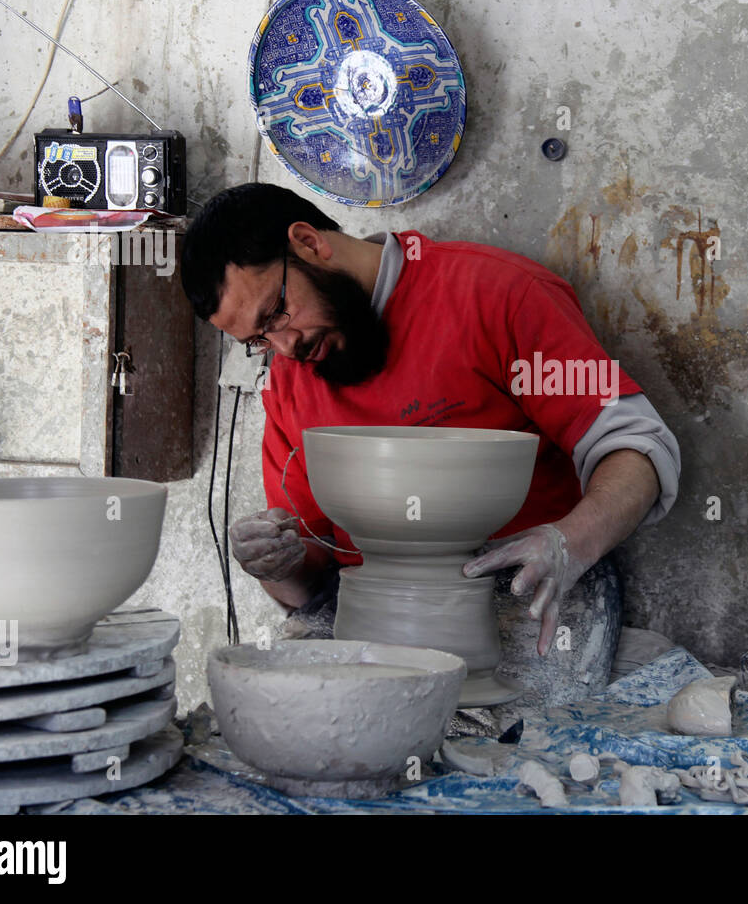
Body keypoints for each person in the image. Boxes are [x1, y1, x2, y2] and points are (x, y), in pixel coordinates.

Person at [180, 183, 680, 703]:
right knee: (279, 717)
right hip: (374, 610)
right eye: (257, 342)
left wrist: (571, 541)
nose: (286, 347)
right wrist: (275, 566)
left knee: (513, 746)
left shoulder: (492, 292)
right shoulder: (288, 379)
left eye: (276, 313)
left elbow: (635, 446)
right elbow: (308, 580)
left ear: (309, 242)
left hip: (530, 592)